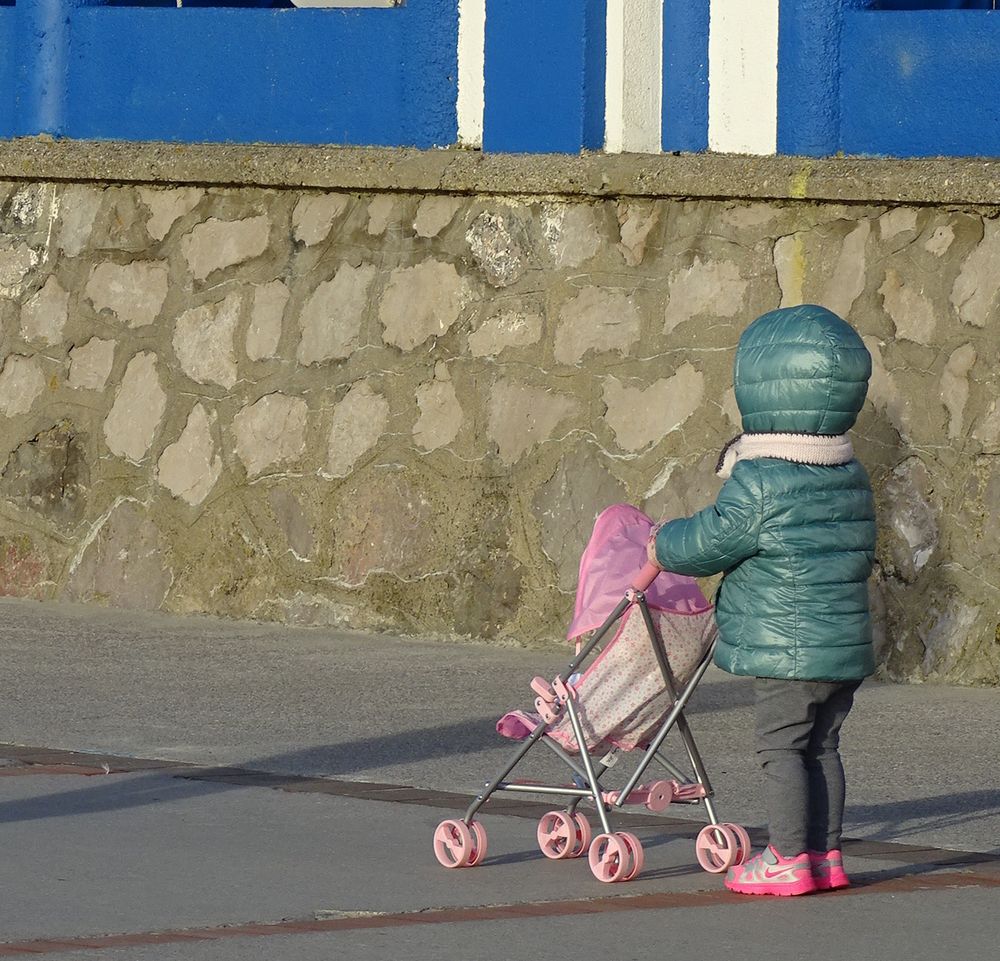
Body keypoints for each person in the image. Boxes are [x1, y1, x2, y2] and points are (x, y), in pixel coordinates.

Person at [647, 304, 876, 897]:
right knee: (823, 746)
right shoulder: (850, 473)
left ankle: (787, 858)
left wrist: (658, 542)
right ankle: (825, 856)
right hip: (841, 645)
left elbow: (712, 540)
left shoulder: (761, 478)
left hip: (786, 648)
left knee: (782, 747)